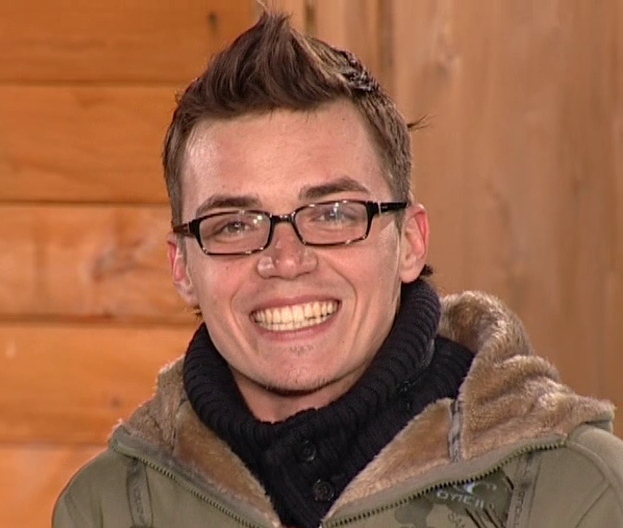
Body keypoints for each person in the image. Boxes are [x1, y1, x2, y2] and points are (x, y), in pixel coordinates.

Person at [53, 12, 623, 528]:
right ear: (182, 267)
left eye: (332, 214)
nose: (285, 260)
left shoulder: (576, 491)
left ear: (410, 242)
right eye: (234, 224)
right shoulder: (107, 511)